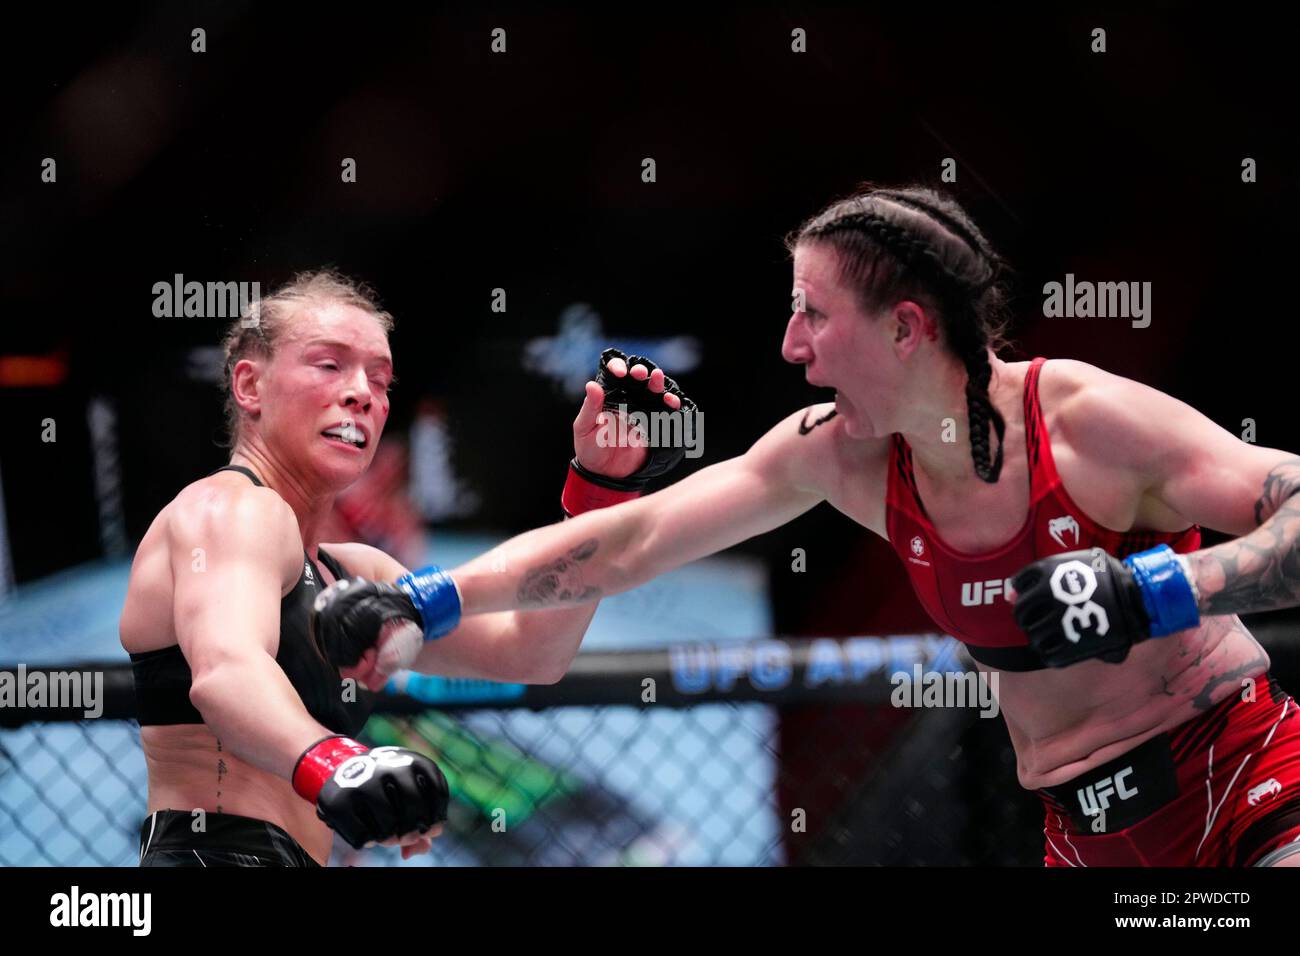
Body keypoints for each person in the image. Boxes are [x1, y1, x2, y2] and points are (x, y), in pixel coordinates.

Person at [323, 186, 1300, 866]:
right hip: (1084, 832)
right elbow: (624, 546)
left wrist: (1158, 588)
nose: (791, 347)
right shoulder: (837, 453)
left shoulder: (1089, 426)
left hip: (1248, 781)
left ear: (906, 328)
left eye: (814, 316)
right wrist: (423, 598)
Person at [119, 269, 691, 866]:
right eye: (328, 365)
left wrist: (597, 495)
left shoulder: (355, 571)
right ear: (249, 385)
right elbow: (225, 672)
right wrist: (337, 764)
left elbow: (531, 653)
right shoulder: (230, 508)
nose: (362, 392)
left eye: (380, 378)